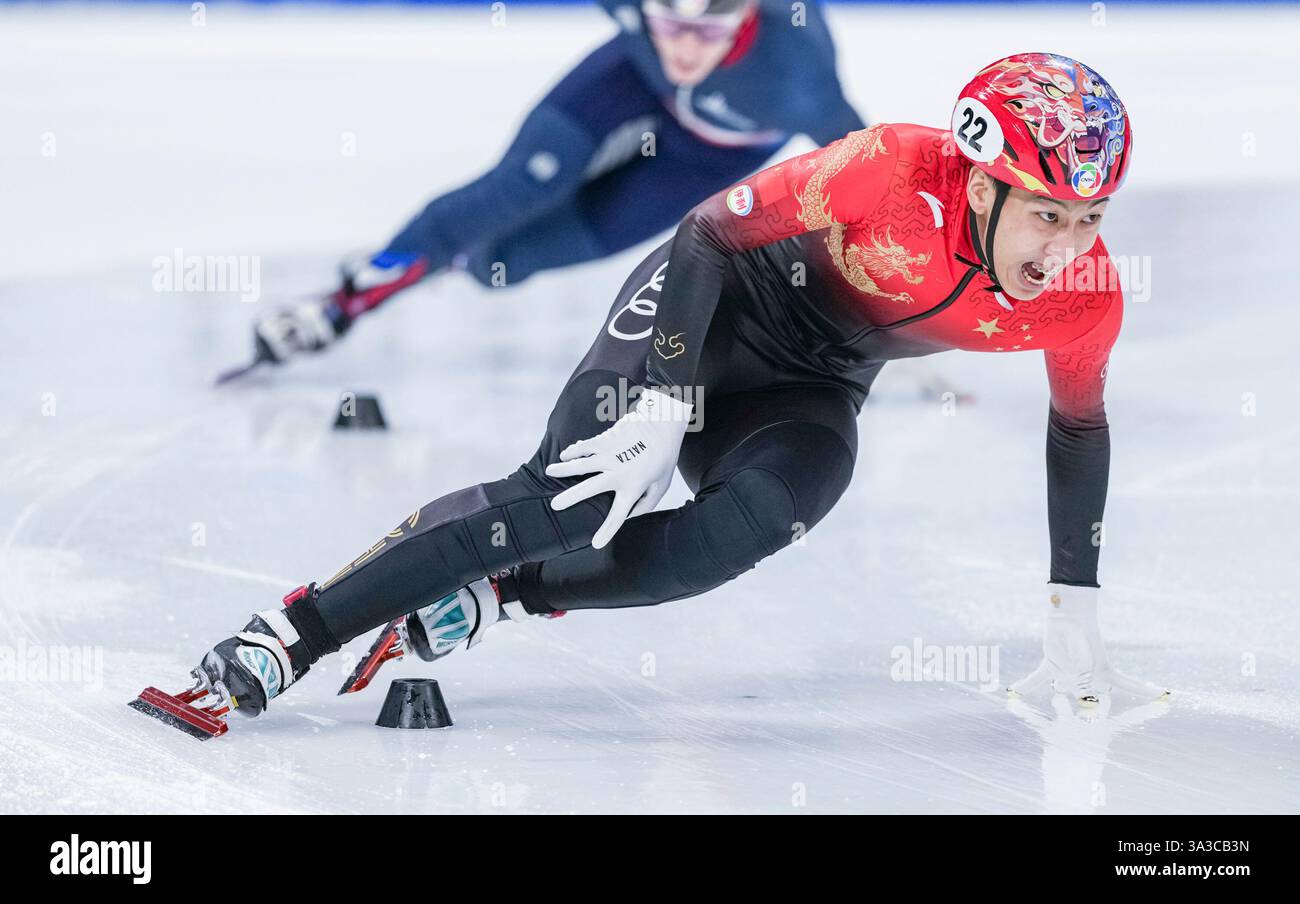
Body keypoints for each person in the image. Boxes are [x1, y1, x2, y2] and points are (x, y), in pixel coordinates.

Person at [158, 52, 1166, 739]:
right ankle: (294, 631)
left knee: (737, 533)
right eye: (1047, 214)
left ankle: (502, 596)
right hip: (713, 302)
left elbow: (1078, 432)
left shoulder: (1084, 295)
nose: (1068, 247)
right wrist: (662, 399)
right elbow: (706, 234)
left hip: (814, 383)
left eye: (1091, 216)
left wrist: (1071, 614)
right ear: (982, 184)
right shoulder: (888, 172)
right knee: (566, 501)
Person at [249, 0, 864, 367]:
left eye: (705, 33)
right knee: (518, 186)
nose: (682, 46)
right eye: (666, 23)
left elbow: (864, 179)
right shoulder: (645, 28)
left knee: (508, 261)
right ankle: (341, 303)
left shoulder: (795, 75)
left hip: (703, 156)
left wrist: (881, 315)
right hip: (629, 80)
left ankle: (445, 260)